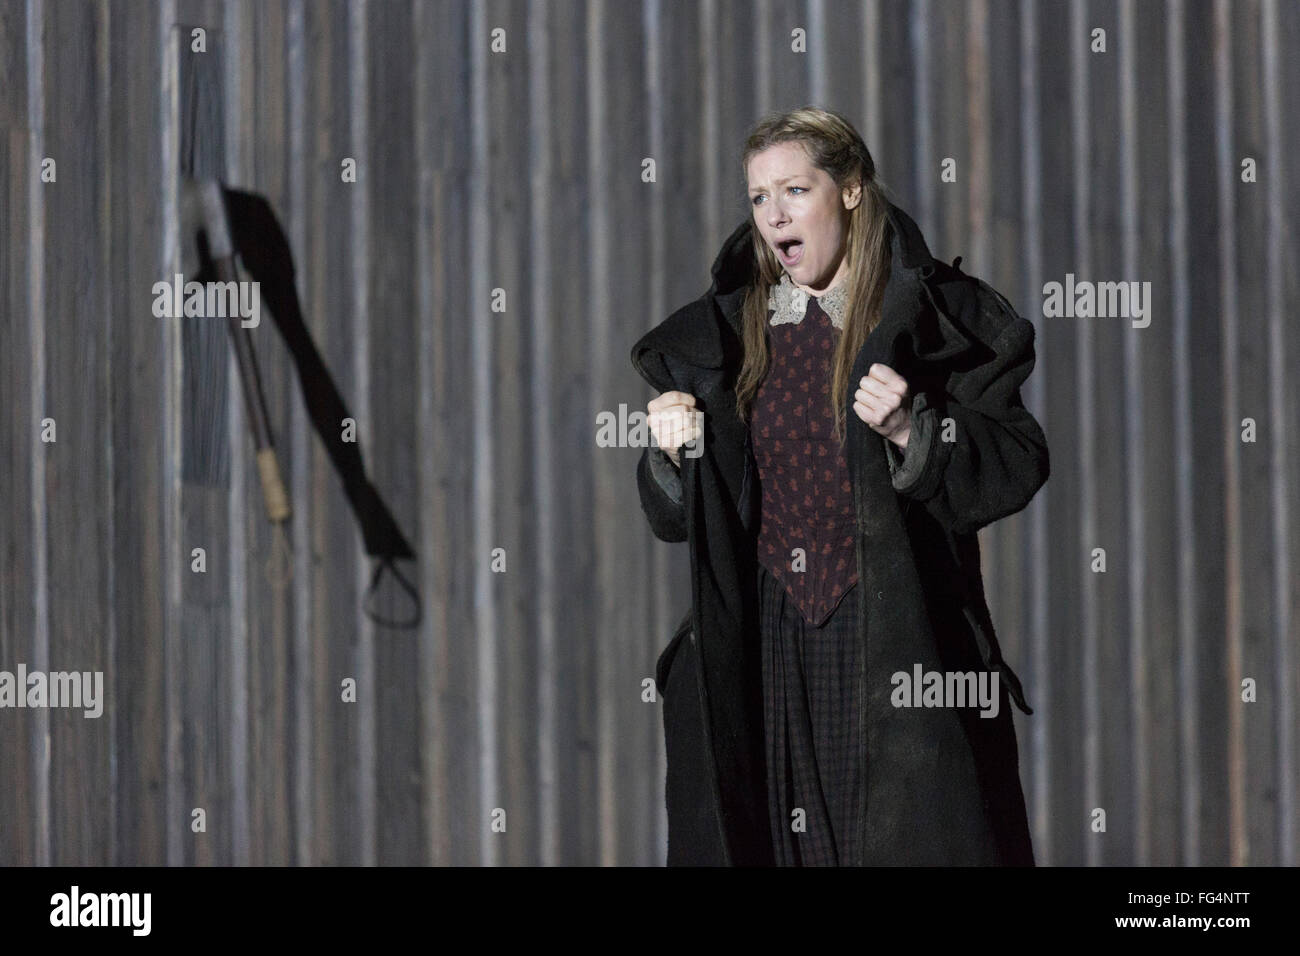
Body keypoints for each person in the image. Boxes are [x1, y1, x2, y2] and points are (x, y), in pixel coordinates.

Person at [633, 106, 1049, 866]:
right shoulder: (731, 334)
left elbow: (1017, 461)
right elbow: (676, 520)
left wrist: (912, 433)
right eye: (759, 198)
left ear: (851, 190)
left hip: (893, 634)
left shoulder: (936, 317)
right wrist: (669, 453)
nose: (774, 215)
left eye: (794, 190)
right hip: (765, 639)